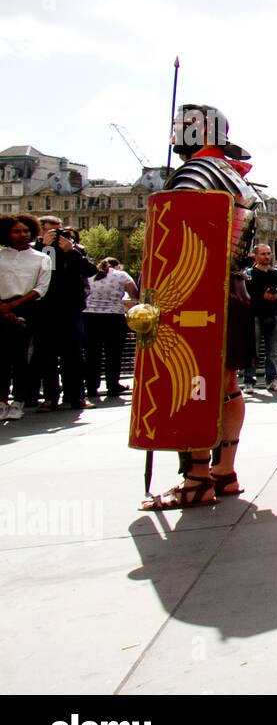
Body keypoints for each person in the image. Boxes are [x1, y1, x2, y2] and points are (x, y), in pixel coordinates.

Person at [141, 104, 261, 508]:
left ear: (200, 131)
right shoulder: (236, 178)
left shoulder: (195, 174)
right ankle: (224, 471)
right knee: (227, 385)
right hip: (236, 289)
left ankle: (196, 477)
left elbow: (180, 236)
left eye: (183, 125)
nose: (176, 132)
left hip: (198, 293)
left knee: (192, 380)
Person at [32, 217, 97, 411]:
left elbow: (90, 270)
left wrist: (72, 251)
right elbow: (41, 272)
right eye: (53, 231)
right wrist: (45, 248)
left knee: (74, 355)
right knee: (47, 356)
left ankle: (77, 396)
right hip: (45, 309)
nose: (59, 235)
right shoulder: (36, 251)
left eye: (60, 231)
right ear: (41, 231)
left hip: (71, 308)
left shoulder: (74, 250)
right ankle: (51, 397)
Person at [0, 214, 52, 421]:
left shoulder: (43, 258)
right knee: (1, 359)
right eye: (17, 231)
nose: (22, 235)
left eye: (26, 231)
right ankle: (1, 401)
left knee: (21, 358)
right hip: (1, 309)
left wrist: (13, 306)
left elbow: (41, 288)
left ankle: (19, 400)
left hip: (26, 309)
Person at [83, 256, 138, 401]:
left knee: (92, 354)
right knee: (113, 354)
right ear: (117, 266)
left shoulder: (90, 275)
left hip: (90, 317)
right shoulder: (122, 275)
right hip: (114, 317)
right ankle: (112, 385)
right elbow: (134, 294)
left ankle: (91, 387)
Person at [241, 243, 277, 393]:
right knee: (253, 350)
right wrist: (262, 296)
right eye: (263, 254)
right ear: (256, 256)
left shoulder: (276, 273)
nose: (267, 257)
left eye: (268, 253)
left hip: (274, 314)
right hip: (256, 315)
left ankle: (272, 379)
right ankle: (248, 381)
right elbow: (247, 295)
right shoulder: (249, 274)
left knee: (272, 351)